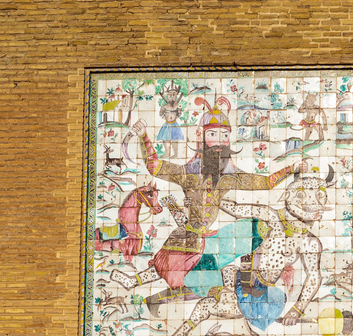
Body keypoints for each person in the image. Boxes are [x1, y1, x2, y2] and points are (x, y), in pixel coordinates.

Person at [115, 97, 304, 292]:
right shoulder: (186, 173)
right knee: (171, 264)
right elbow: (154, 167)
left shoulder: (229, 177)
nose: (220, 141)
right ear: (202, 138)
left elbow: (266, 183)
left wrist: (291, 168)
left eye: (224, 135)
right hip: (188, 236)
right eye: (212, 134)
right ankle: (134, 281)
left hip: (207, 239)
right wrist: (144, 136)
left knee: (255, 229)